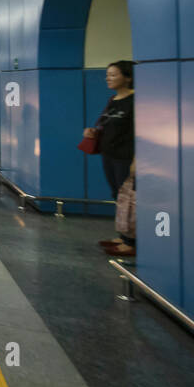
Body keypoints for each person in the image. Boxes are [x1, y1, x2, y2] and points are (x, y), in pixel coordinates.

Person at [83, 60, 135, 255]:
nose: (108, 78)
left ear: (128, 77)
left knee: (128, 198)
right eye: (107, 74)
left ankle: (131, 241)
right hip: (109, 154)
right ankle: (123, 236)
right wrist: (92, 132)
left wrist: (137, 161)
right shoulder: (113, 101)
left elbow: (138, 133)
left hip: (126, 157)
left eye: (113, 74)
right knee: (118, 196)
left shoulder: (135, 101)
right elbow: (105, 125)